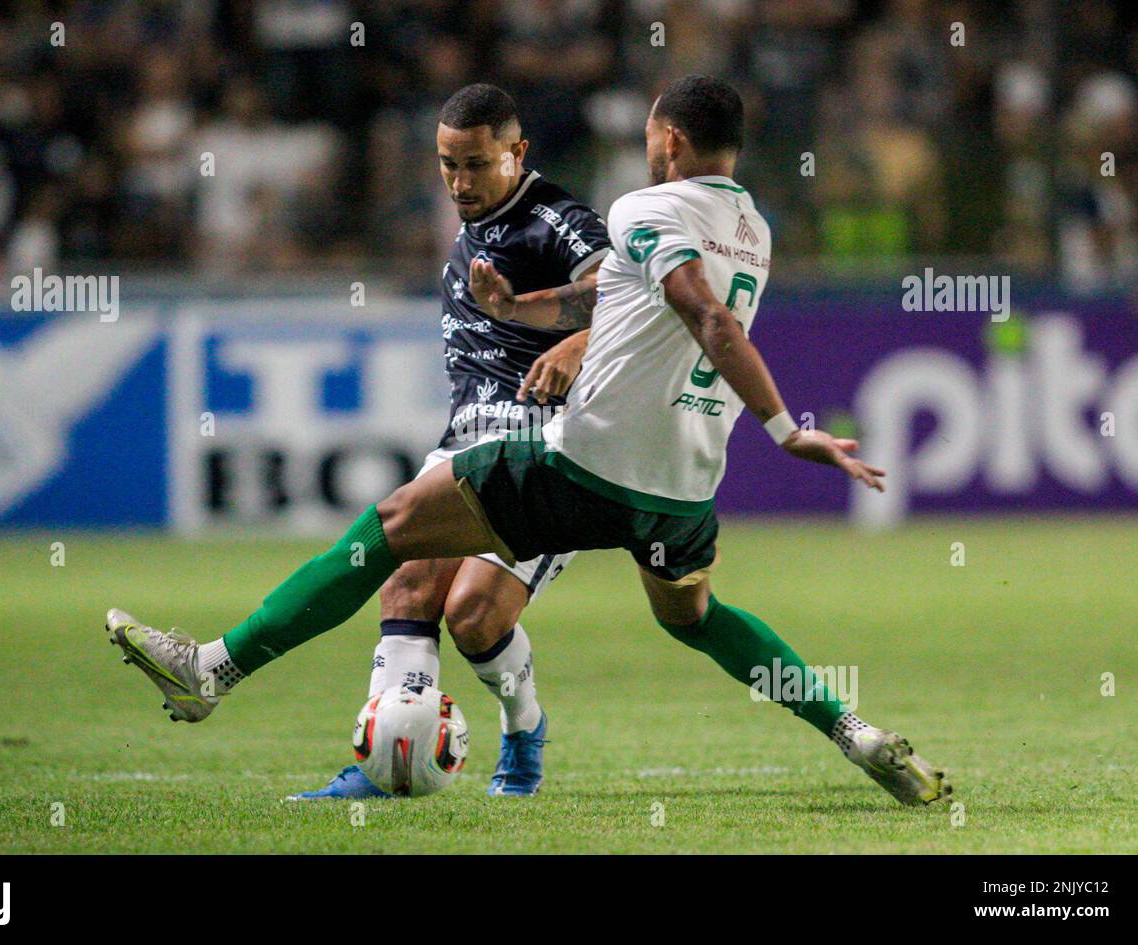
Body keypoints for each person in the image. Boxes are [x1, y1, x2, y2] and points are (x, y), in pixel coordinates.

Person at [106, 75, 950, 807]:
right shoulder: (754, 230)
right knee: (694, 618)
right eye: (450, 165)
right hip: (682, 483)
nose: (459, 180)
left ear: (672, 139)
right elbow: (627, 301)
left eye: (652, 129)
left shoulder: (640, 208)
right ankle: (855, 731)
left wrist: (784, 428)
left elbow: (704, 315)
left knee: (392, 526)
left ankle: (211, 669)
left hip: (584, 459)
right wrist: (517, 313)